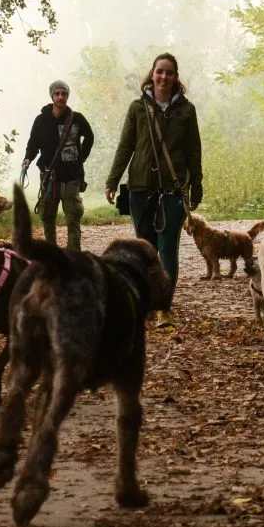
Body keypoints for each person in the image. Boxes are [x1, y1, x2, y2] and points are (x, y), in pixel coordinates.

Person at [104, 53, 202, 328]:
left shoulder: (186, 110)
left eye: (169, 72)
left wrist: (197, 184)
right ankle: (145, 303)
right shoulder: (138, 108)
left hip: (172, 189)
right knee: (144, 249)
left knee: (167, 248)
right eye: (160, 71)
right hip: (140, 189)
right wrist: (112, 180)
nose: (164, 77)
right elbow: (126, 146)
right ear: (152, 74)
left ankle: (163, 309)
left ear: (175, 77)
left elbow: (194, 150)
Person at [23, 80, 94, 250]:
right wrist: (28, 158)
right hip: (49, 178)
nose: (61, 97)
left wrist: (80, 159)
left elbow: (89, 138)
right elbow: (33, 143)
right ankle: (51, 257)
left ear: (67, 96)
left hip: (71, 177)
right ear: (52, 96)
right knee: (48, 218)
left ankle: (73, 257)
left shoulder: (76, 118)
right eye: (57, 93)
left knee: (73, 218)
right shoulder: (41, 120)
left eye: (64, 93)